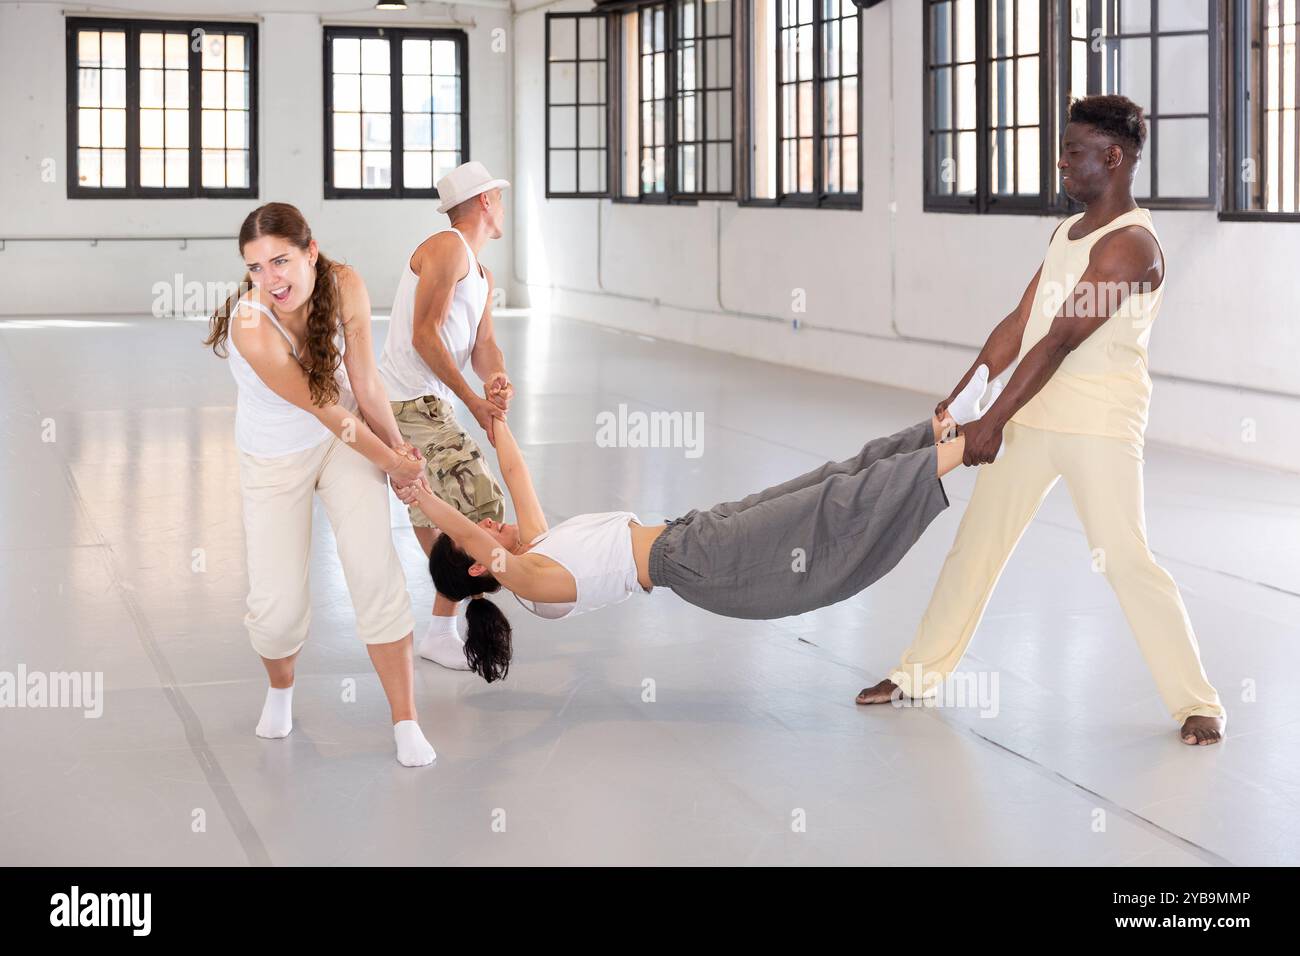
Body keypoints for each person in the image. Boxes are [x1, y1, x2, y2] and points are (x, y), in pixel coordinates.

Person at [856, 95, 1226, 746]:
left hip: (1099, 425)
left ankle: (1197, 703)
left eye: (1074, 152)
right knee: (978, 544)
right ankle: (917, 674)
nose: (1061, 163)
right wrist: (961, 397)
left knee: (1125, 559)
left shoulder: (1131, 248)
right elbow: (1022, 324)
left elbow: (1058, 340)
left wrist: (991, 423)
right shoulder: (1067, 234)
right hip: (1034, 408)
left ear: (1114, 158)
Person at [391, 372, 1002, 683]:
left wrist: (492, 414)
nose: (490, 521)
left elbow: (516, 469)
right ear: (477, 564)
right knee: (830, 508)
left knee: (826, 480)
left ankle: (942, 429)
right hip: (698, 561)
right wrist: (423, 497)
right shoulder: (532, 584)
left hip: (693, 532)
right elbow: (478, 540)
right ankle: (971, 445)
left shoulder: (537, 546)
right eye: (479, 533)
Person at [205, 202, 437, 767]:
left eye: (280, 261)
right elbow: (326, 408)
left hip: (343, 444)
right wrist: (392, 461)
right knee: (277, 610)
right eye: (256, 268)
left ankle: (406, 721)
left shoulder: (346, 283)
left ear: (311, 251)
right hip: (277, 455)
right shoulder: (251, 326)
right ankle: (281, 691)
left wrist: (400, 452)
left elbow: (364, 383)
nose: (270, 279)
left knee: (374, 569)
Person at [379, 161, 514, 671]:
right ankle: (441, 628)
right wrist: (472, 403)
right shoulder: (447, 246)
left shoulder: (481, 271)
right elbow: (423, 334)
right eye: (497, 198)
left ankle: (439, 629)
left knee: (430, 509)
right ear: (484, 202)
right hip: (412, 401)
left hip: (424, 402)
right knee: (483, 504)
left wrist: (494, 379)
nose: (502, 208)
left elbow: (484, 346)